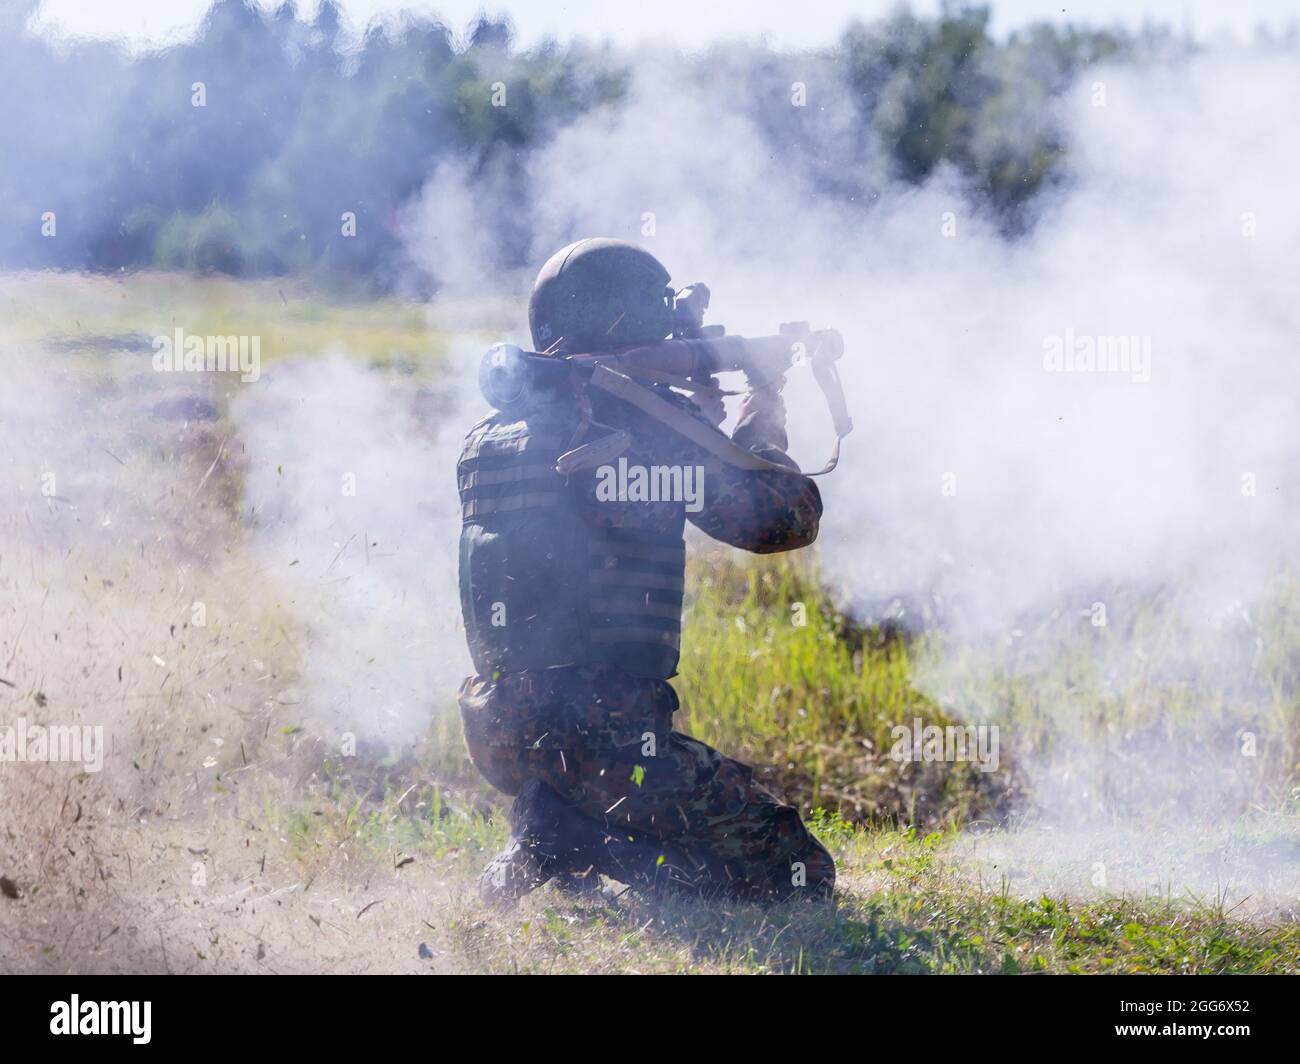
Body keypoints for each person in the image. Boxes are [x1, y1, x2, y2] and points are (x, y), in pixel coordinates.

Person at [457, 237, 835, 904]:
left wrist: (693, 418)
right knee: (798, 875)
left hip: (505, 740)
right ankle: (577, 837)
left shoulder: (486, 438)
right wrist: (762, 419)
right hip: (614, 748)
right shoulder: (635, 418)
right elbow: (783, 518)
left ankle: (553, 825)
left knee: (625, 797)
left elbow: (603, 503)